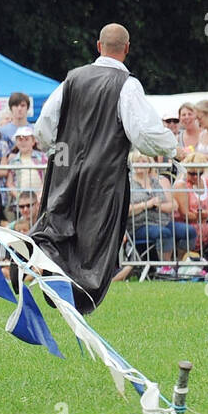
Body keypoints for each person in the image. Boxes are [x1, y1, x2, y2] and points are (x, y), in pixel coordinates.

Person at [30, 23, 177, 313]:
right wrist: (172, 147)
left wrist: (56, 152)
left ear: (98, 46)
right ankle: (80, 300)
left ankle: (48, 269)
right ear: (127, 49)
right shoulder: (128, 85)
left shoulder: (71, 79)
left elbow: (43, 126)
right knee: (95, 240)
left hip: (64, 171)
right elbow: (143, 135)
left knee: (58, 226)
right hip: (105, 179)